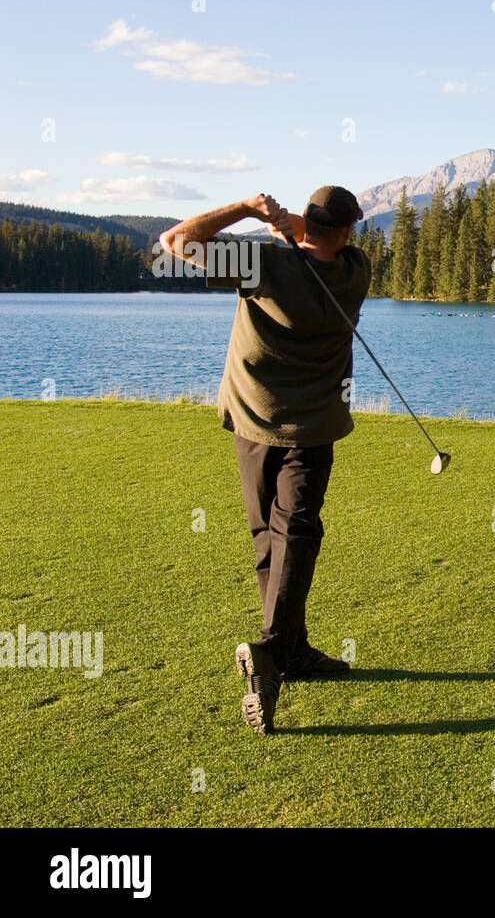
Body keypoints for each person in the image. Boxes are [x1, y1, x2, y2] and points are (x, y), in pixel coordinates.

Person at [160, 187, 369, 733]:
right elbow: (317, 236)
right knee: (294, 529)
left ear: (312, 224)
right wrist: (287, 227)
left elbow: (175, 241)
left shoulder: (261, 264)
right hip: (315, 427)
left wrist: (249, 210)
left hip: (252, 419)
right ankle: (288, 650)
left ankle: (275, 651)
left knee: (270, 533)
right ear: (348, 232)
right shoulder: (355, 270)